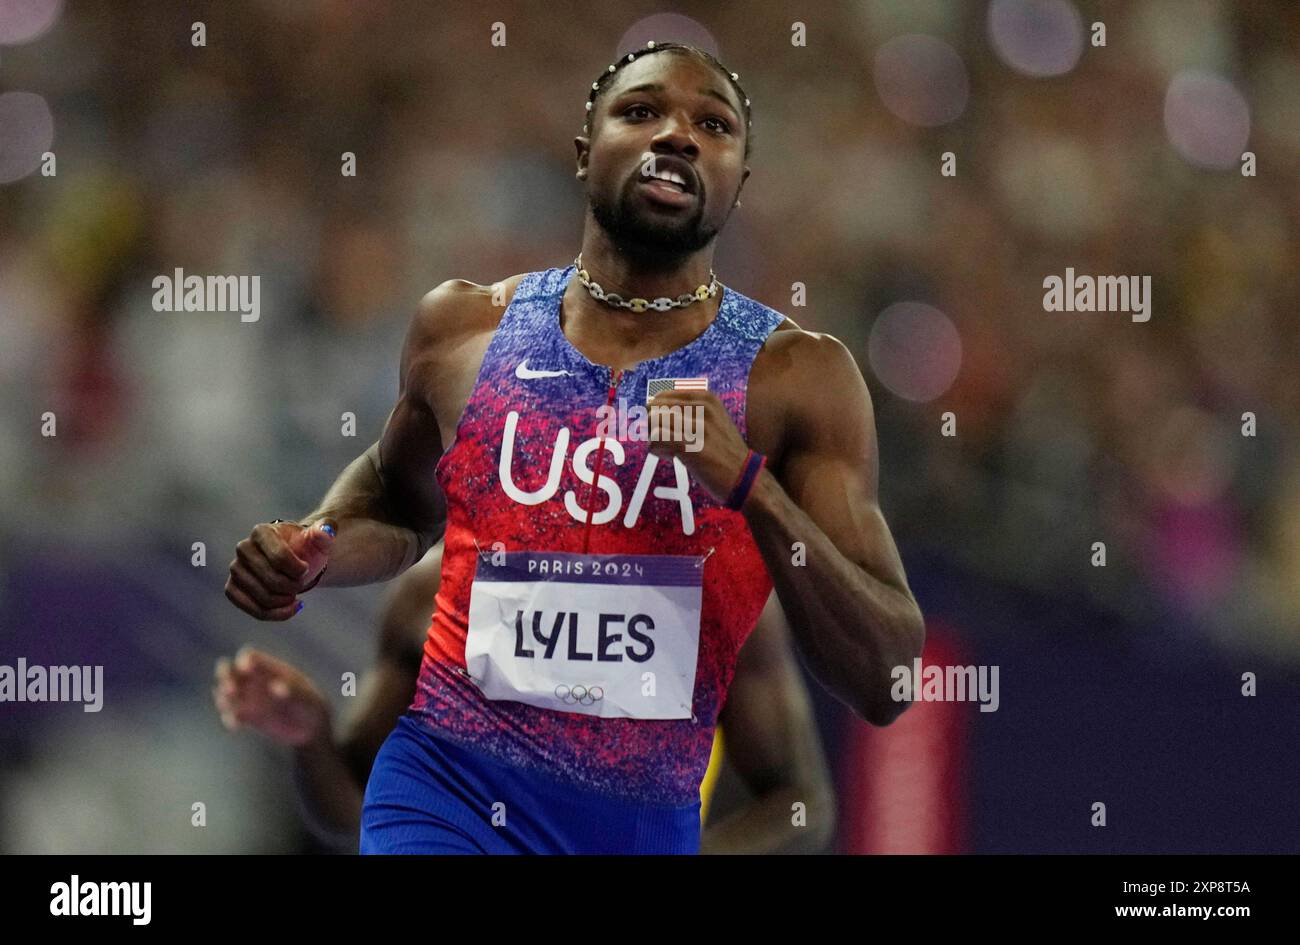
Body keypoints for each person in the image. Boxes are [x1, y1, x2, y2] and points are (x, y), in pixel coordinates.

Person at [225, 41, 924, 854]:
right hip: (443, 791)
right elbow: (394, 494)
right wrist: (317, 542)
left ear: (739, 178)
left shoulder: (798, 377)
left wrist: (749, 484)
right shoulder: (464, 328)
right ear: (585, 152)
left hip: (636, 828)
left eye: (713, 125)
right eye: (641, 112)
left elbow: (888, 680)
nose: (678, 136)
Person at [214, 542, 836, 853]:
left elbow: (801, 806)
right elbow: (354, 814)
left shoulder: (711, 593)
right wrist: (312, 735)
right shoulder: (437, 592)